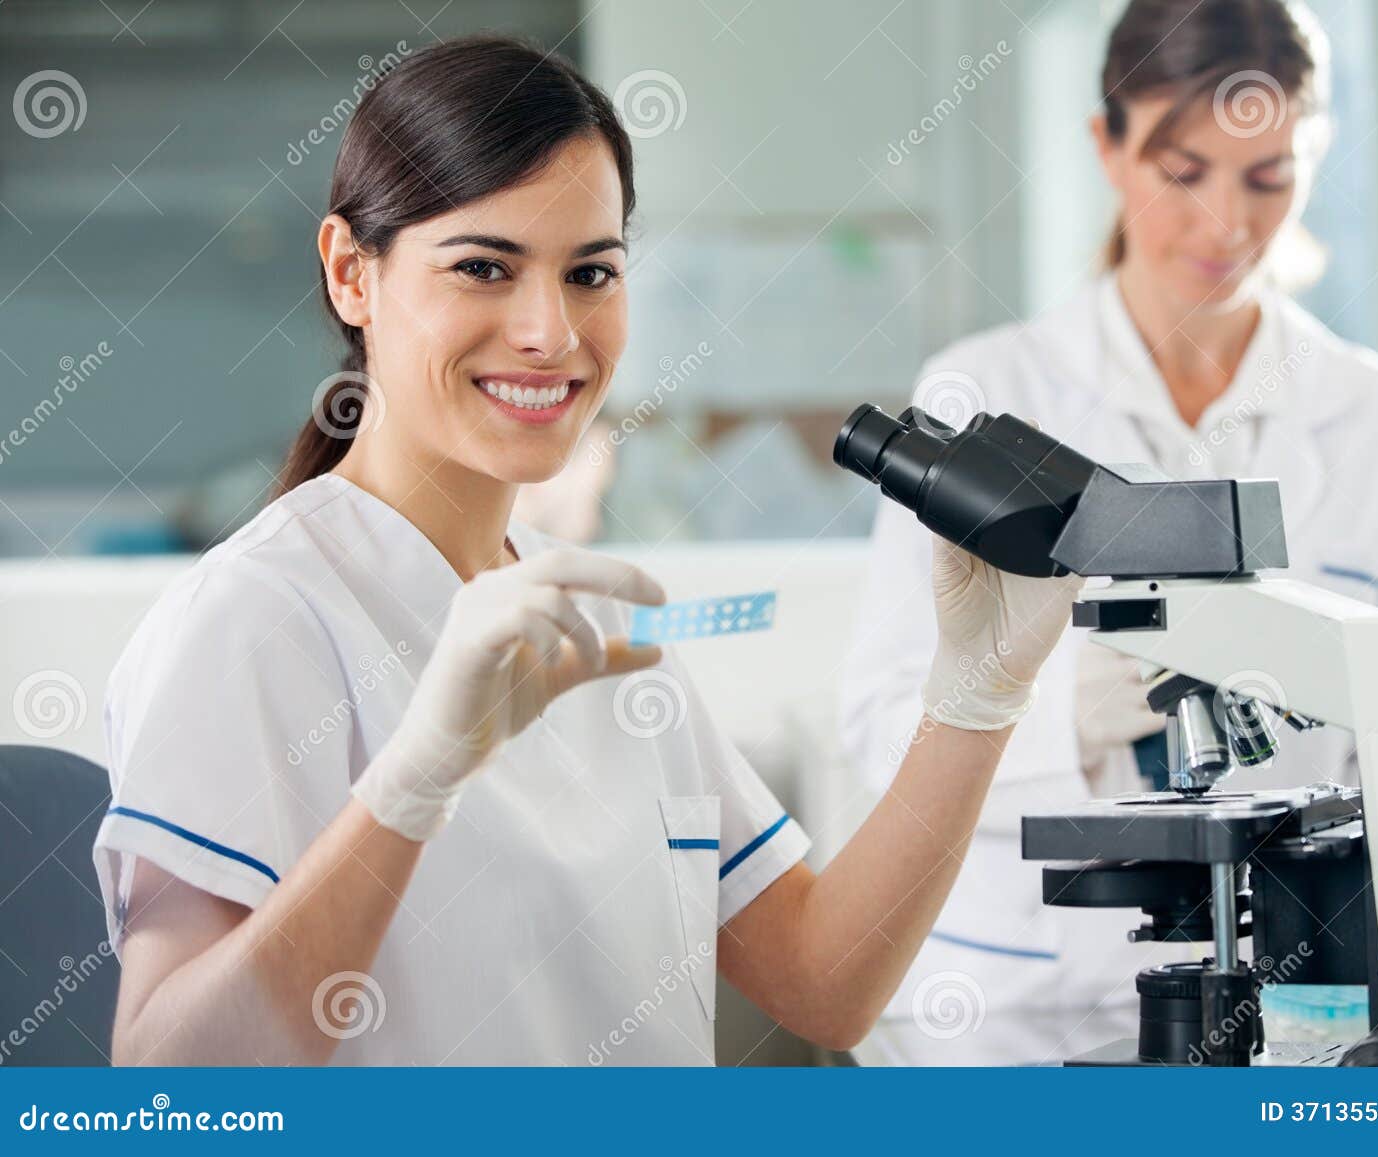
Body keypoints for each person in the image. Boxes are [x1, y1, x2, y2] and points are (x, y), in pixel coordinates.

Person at [92, 37, 1084, 1066]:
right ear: (352, 272)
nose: (549, 332)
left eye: (590, 272)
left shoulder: (594, 620)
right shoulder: (259, 614)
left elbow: (819, 978)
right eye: (483, 266)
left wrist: (973, 696)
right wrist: (413, 779)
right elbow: (168, 1082)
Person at [839, 0, 1378, 1066]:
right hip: (1011, 1002)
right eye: (1184, 171)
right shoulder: (988, 390)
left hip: (1295, 998)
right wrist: (1060, 715)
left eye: (1268, 176)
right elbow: (871, 731)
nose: (1226, 222)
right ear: (1107, 145)